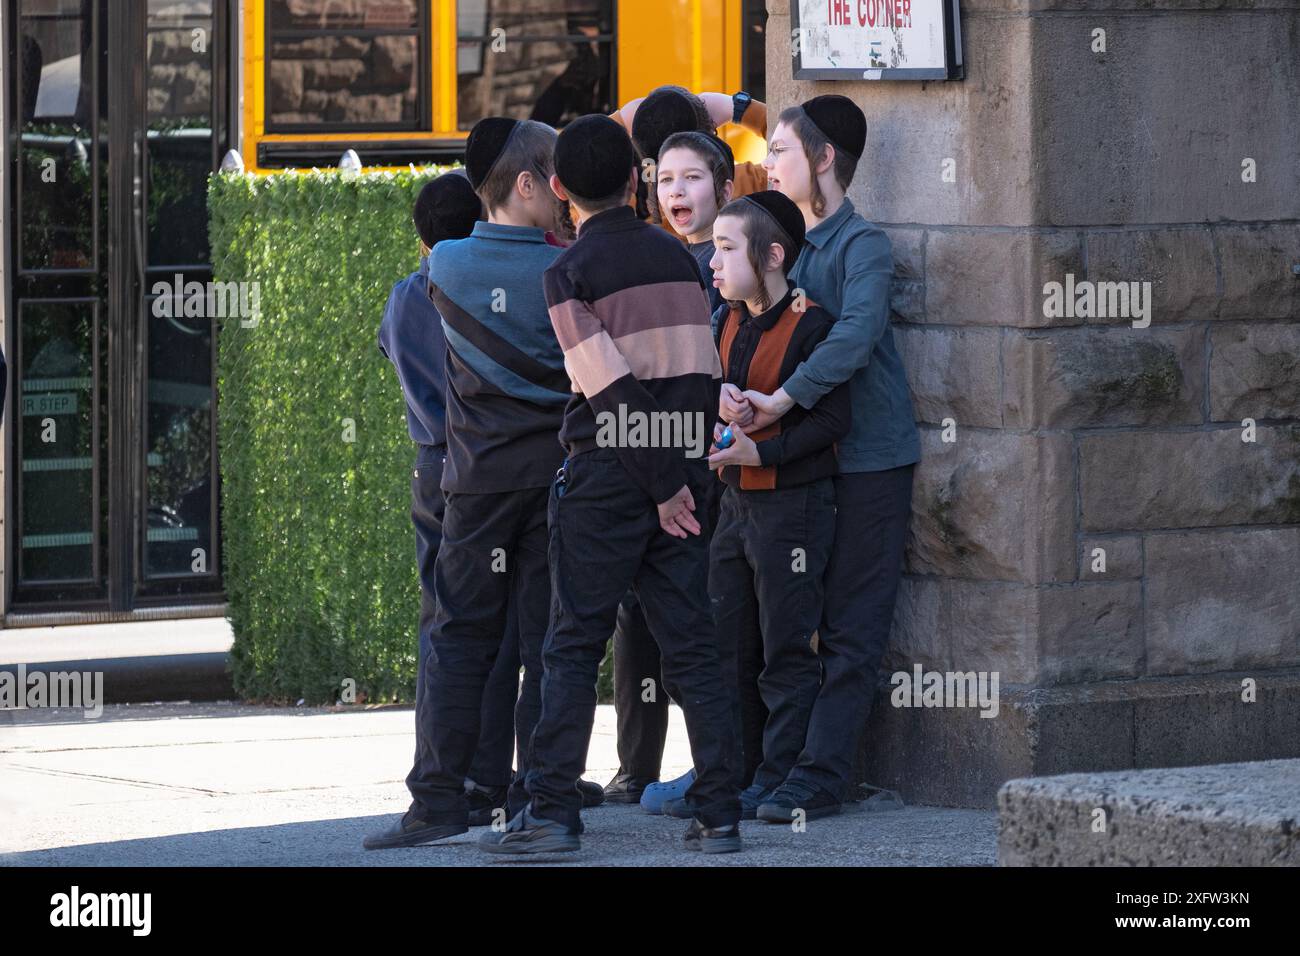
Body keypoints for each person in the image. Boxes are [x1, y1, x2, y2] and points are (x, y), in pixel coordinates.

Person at [481, 114, 742, 855]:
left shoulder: (566, 274)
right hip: (684, 480)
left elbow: (611, 394)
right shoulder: (678, 260)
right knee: (694, 645)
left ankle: (553, 812)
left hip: (608, 481)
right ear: (636, 180)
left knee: (571, 645)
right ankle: (720, 811)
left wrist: (661, 487)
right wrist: (684, 477)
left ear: (559, 189)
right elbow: (700, 376)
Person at [365, 118, 580, 849]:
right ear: (524, 185)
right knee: (550, 646)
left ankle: (436, 802)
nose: (563, 196)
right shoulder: (567, 268)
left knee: (457, 640)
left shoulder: (447, 265)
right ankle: (542, 801)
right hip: (556, 481)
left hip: (475, 485)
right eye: (554, 181)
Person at [727, 95, 921, 822]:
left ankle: (822, 777)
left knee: (851, 625)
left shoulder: (863, 245)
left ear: (822, 159)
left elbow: (857, 335)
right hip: (805, 459)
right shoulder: (789, 246)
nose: (767, 164)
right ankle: (776, 769)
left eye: (778, 151)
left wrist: (779, 401)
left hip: (870, 459)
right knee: (790, 624)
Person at [600, 89, 770, 812]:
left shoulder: (740, 260)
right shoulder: (645, 256)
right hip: (647, 458)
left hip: (718, 467)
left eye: (692, 178)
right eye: (665, 179)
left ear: (726, 189)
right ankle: (635, 765)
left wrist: (724, 101)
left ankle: (714, 772)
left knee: (704, 621)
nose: (677, 192)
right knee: (632, 621)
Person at [667, 191, 849, 820]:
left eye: (724, 248)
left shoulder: (813, 324)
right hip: (733, 509)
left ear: (772, 256)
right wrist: (723, 400)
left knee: (785, 650)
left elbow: (831, 424)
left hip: (793, 509)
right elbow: (711, 390)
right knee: (725, 646)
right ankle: (729, 777)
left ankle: (778, 779)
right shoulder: (725, 318)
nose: (712, 263)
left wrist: (761, 456)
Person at [373, 171, 526, 830]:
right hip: (490, 463)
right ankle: (491, 775)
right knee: (506, 633)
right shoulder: (481, 287)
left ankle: (443, 777)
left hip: (431, 465)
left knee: (446, 630)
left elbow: (391, 350)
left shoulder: (406, 296)